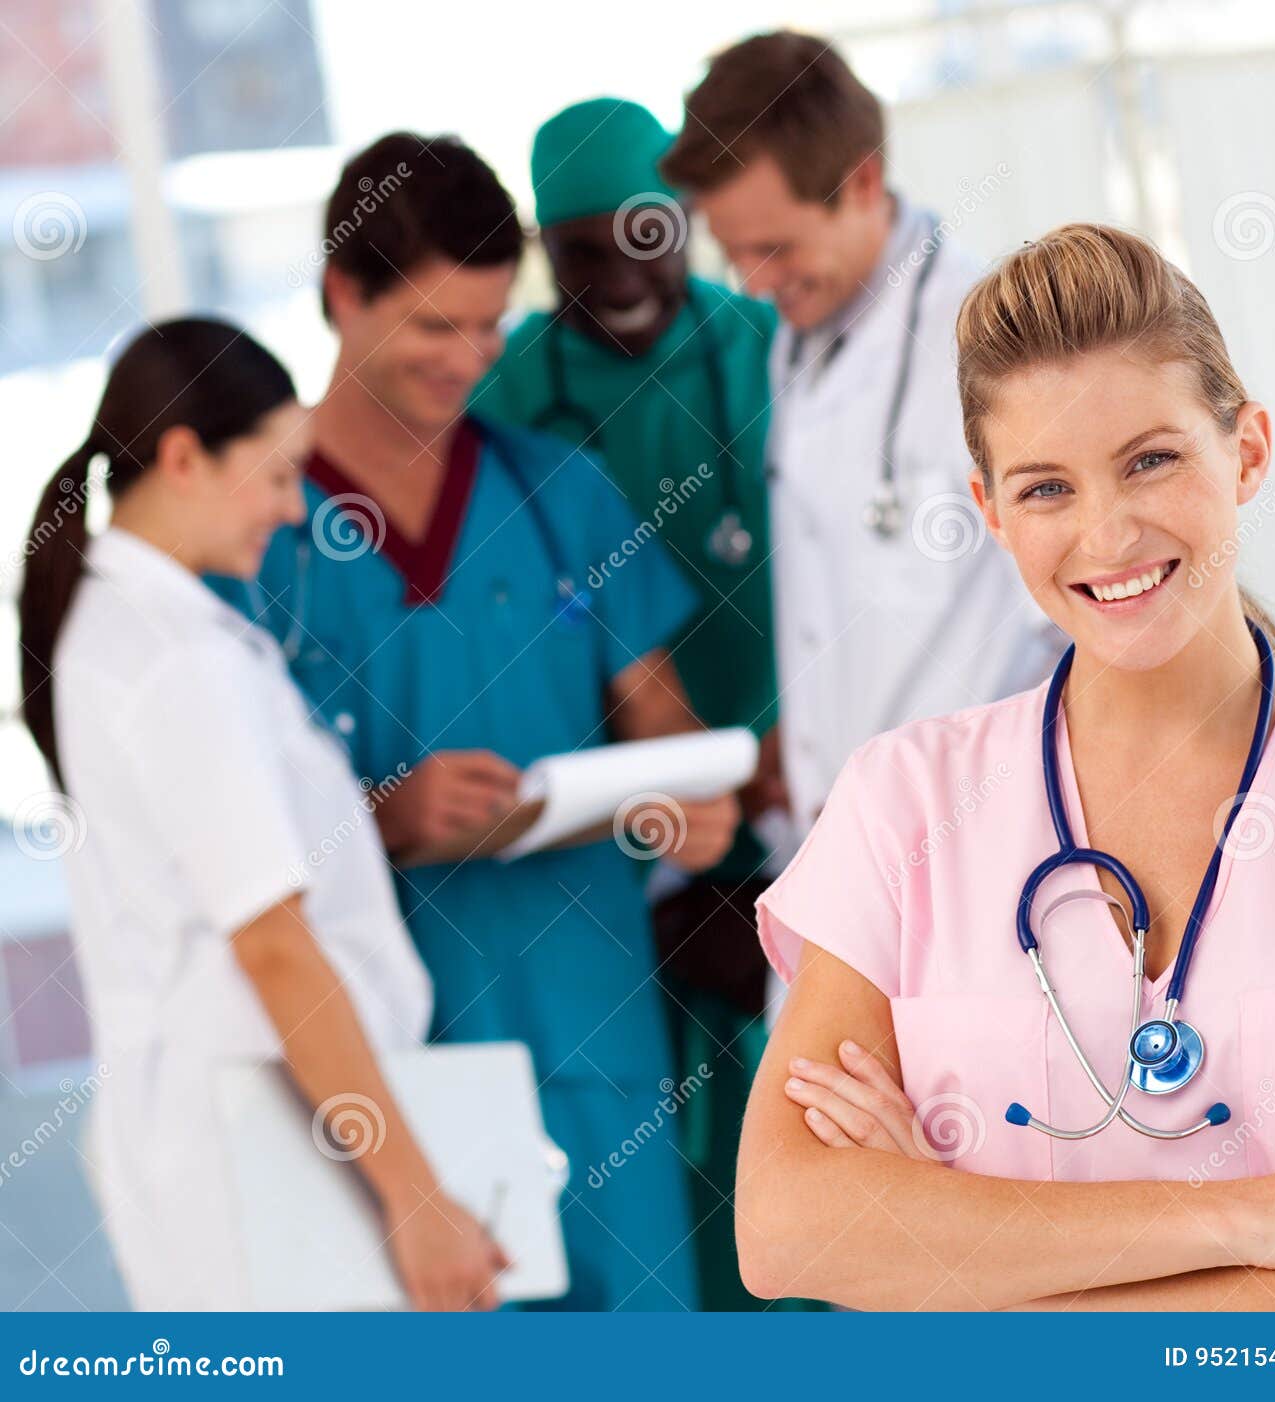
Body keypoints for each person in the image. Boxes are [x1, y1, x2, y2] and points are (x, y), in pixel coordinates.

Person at [735, 224, 1275, 1311]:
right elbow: (785, 1232)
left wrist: (958, 1268)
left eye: (1151, 459)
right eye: (1046, 488)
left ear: (1245, 452)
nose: (1107, 533)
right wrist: (1273, 1215)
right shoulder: (900, 802)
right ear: (988, 511)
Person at [221, 133, 739, 1311]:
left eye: (489, 325)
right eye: (431, 326)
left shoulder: (558, 494)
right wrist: (379, 817)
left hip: (591, 1039)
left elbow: (661, 720)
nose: (469, 360)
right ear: (339, 296)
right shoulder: (249, 534)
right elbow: (214, 836)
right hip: (380, 1073)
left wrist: (688, 806)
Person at [18, 318, 507, 1311]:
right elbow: (275, 946)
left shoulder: (130, 627)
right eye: (277, 475)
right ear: (186, 457)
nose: (293, 511)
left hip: (233, 1143)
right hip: (251, 1150)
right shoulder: (176, 658)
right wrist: (415, 1197)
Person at [470, 98, 789, 1310]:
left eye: (643, 232)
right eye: (581, 249)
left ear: (686, 221)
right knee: (653, 1170)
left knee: (811, 1133)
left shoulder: (768, 351)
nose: (618, 272)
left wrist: (767, 788)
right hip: (619, 844)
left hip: (796, 799)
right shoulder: (502, 405)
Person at [660, 30, 1058, 841]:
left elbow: (1075, 621)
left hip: (982, 838)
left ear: (863, 181)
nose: (753, 282)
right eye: (732, 251)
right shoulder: (800, 336)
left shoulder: (998, 343)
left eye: (775, 247)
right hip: (843, 844)